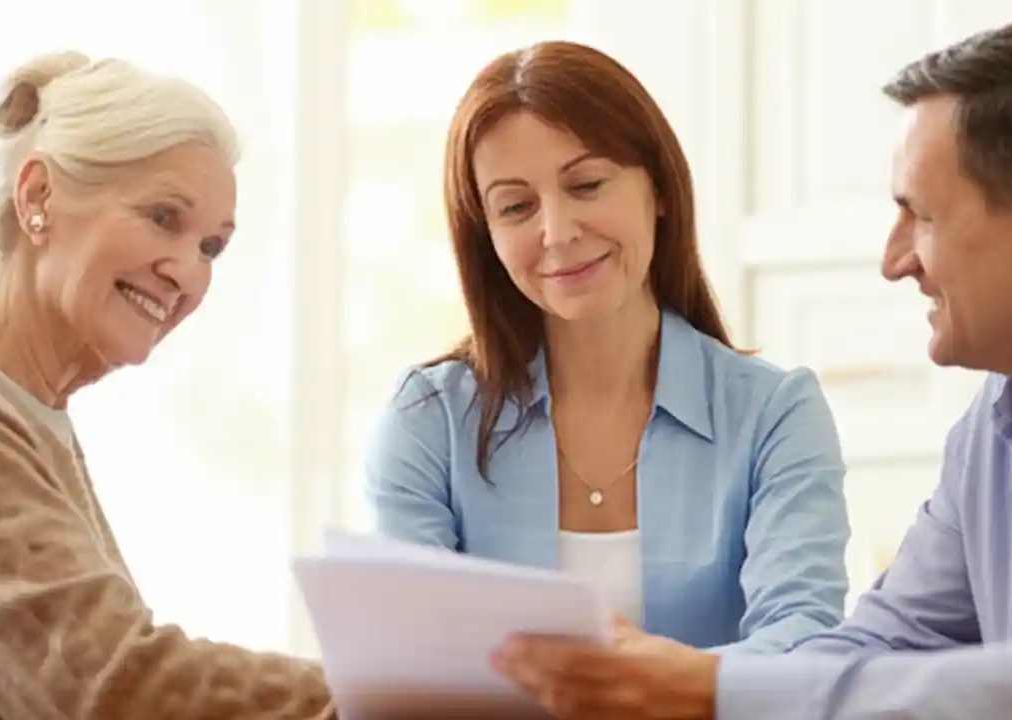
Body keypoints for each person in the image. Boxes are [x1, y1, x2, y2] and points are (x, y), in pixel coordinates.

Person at [488, 15, 1012, 719]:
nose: (894, 261)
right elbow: (882, 643)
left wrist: (707, 688)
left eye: (919, 216)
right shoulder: (999, 419)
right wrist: (665, 681)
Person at [364, 40, 851, 653]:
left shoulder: (775, 413)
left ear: (660, 189)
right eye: (516, 206)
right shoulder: (429, 421)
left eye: (588, 184)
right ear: (485, 234)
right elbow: (409, 656)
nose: (557, 232)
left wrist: (641, 686)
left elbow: (804, 637)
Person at [0, 52, 337, 718]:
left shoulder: (34, 419)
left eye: (211, 248)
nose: (188, 274)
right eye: (163, 218)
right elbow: (117, 685)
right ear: (38, 197)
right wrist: (390, 694)